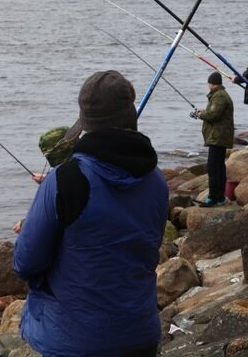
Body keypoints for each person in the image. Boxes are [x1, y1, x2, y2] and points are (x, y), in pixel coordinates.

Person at [13, 70, 168, 357]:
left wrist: (32, 231)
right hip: (140, 332)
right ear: (130, 114)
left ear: (84, 123)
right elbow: (145, 244)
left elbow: (26, 262)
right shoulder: (156, 179)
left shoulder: (64, 179)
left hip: (75, 341)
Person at [196, 71, 234, 207]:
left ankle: (214, 198)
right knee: (218, 167)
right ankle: (219, 197)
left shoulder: (219, 96)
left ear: (211, 84)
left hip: (218, 138)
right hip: (218, 137)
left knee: (213, 168)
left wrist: (201, 115)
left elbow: (213, 115)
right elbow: (213, 113)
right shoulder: (220, 95)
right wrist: (203, 113)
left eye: (208, 83)